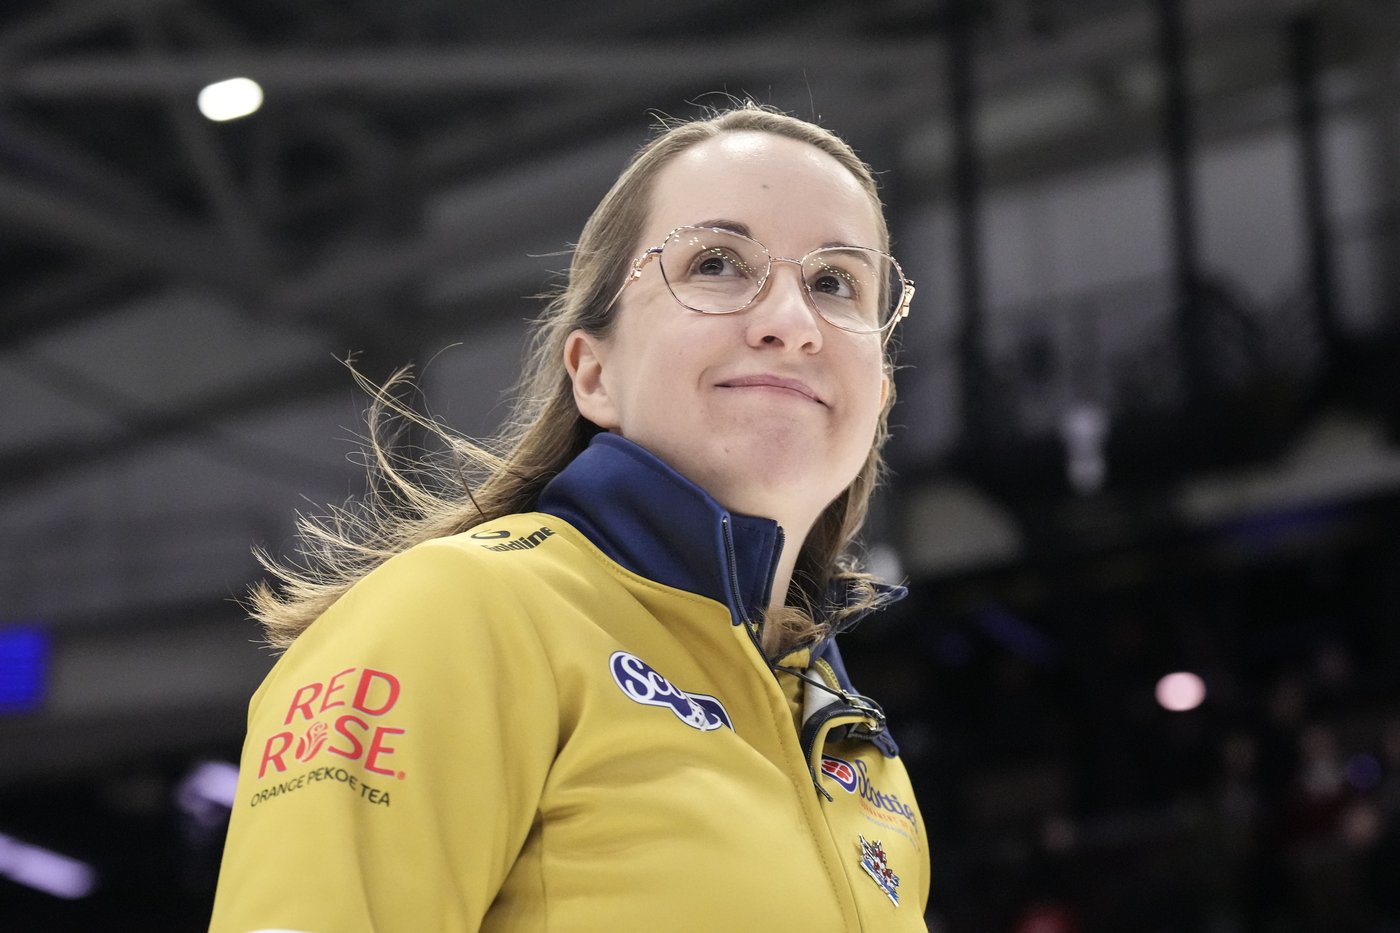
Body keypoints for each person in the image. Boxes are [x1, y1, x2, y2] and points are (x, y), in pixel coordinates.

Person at [209, 101, 928, 932]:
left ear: (878, 396)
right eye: (718, 264)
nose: (791, 322)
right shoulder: (460, 610)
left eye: (835, 282)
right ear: (594, 373)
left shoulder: (853, 742)